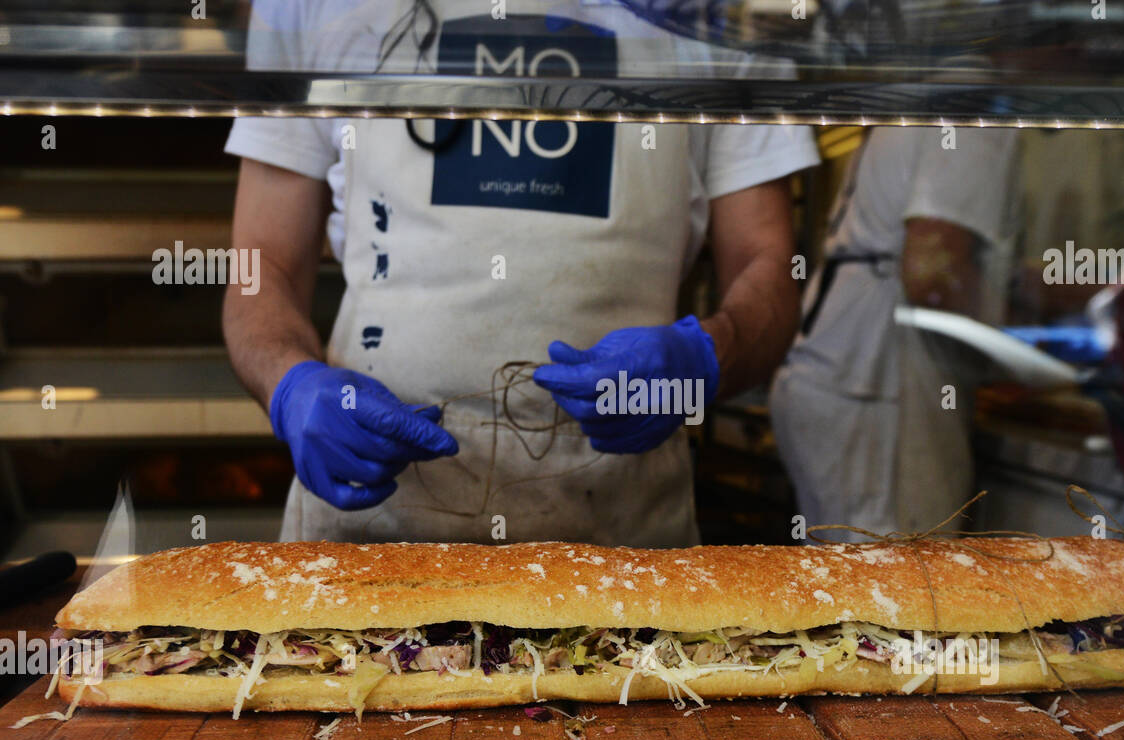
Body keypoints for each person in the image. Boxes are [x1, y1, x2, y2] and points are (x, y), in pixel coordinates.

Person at [222, 0, 819, 546]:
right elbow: (261, 265)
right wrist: (293, 387)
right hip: (373, 531)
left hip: (616, 543)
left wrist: (700, 362)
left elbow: (768, 266)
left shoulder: (723, 10)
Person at [769, 126, 1019, 536]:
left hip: (829, 372)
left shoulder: (921, 100)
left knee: (845, 581)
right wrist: (1029, 345)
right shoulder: (976, 108)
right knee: (903, 583)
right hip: (875, 382)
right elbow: (933, 275)